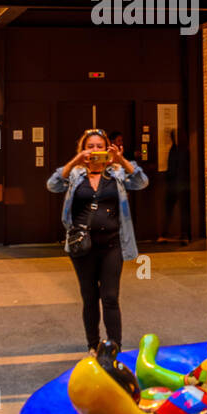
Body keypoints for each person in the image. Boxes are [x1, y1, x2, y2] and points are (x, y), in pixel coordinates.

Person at [48, 128, 148, 352]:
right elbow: (53, 184)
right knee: (89, 296)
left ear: (107, 150)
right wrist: (75, 161)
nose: (95, 151)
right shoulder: (76, 175)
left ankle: (114, 346)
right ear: (84, 149)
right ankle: (93, 345)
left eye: (99, 147)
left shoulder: (117, 174)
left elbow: (141, 182)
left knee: (110, 296)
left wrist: (122, 160)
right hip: (82, 245)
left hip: (112, 244)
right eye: (90, 146)